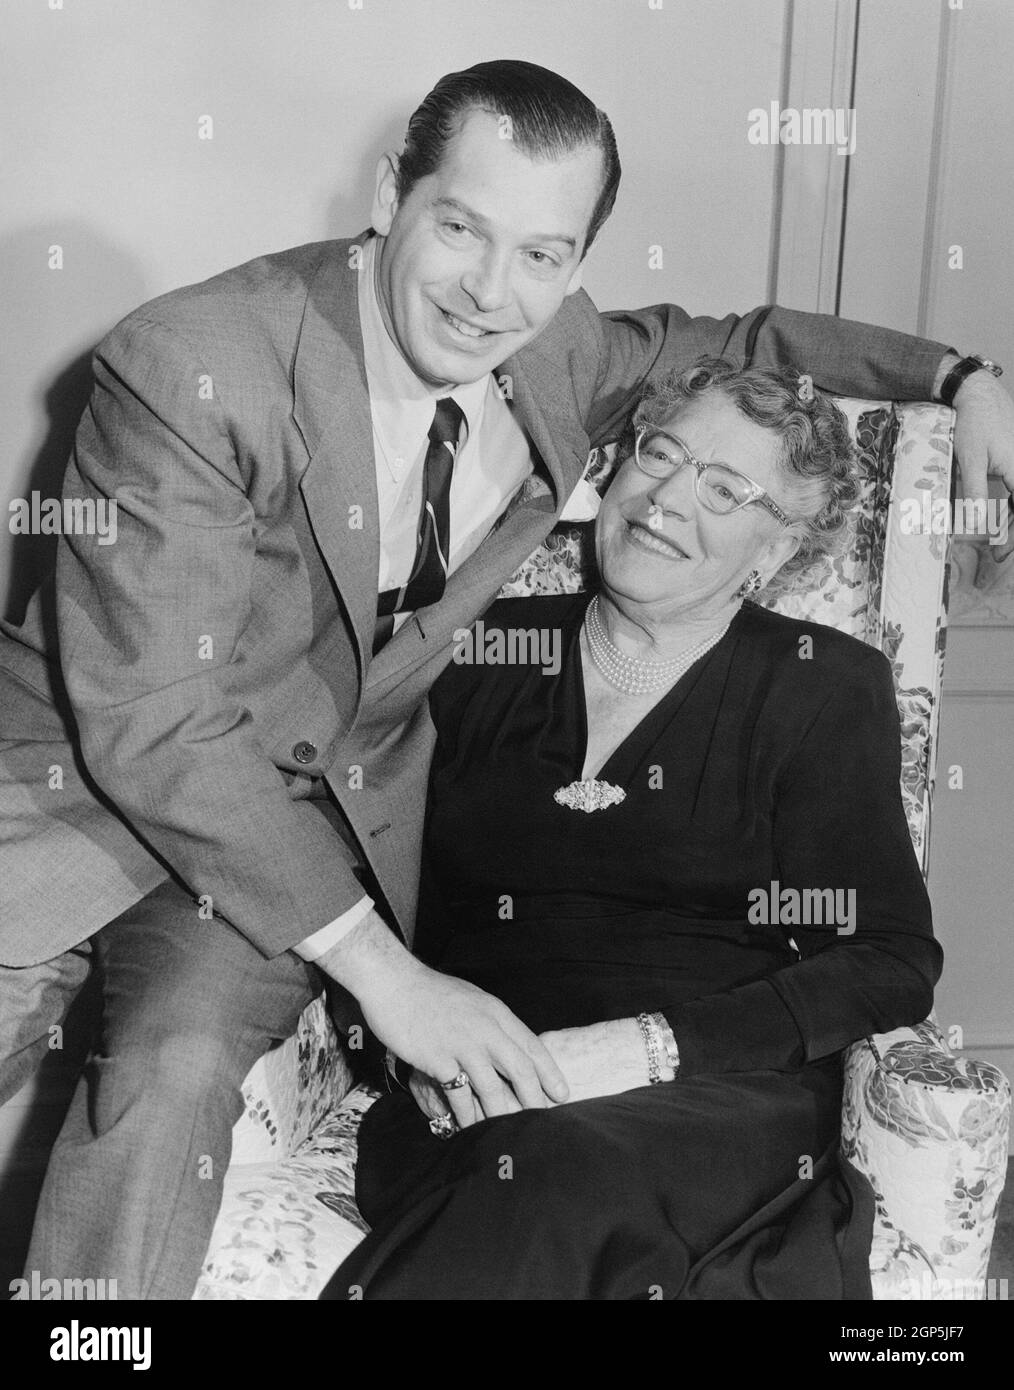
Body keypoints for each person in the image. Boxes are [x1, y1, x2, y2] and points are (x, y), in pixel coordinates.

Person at [0, 60, 992, 1300]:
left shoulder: (561, 353)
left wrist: (958, 375)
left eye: (542, 252)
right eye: (462, 226)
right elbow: (156, 718)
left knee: (175, 1072)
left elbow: (745, 343)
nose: (489, 291)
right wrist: (390, 978)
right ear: (388, 194)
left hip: (279, 851)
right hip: (71, 800)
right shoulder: (199, 359)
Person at [321, 357, 942, 1301]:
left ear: (778, 554)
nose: (666, 498)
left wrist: (641, 1050)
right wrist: (414, 1042)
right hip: (487, 1089)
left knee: (553, 1176)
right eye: (662, 452)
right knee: (533, 1169)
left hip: (716, 1096)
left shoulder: (818, 684)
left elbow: (890, 956)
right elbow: (357, 854)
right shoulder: (482, 647)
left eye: (727, 489)